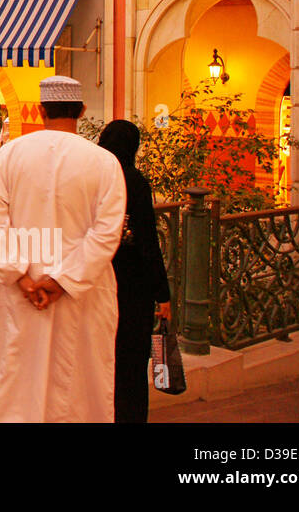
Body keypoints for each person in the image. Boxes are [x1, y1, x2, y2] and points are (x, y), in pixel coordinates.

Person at [0, 76, 126, 422]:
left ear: (41, 110)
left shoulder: (10, 153)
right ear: (82, 111)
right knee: (79, 391)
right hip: (81, 294)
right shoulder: (105, 163)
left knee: (12, 382)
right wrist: (62, 281)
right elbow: (106, 234)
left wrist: (22, 277)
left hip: (19, 293)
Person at [99, 119, 172, 423]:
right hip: (132, 290)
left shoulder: (95, 179)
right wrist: (162, 295)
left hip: (97, 283)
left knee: (100, 360)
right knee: (131, 364)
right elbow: (148, 244)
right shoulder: (135, 182)